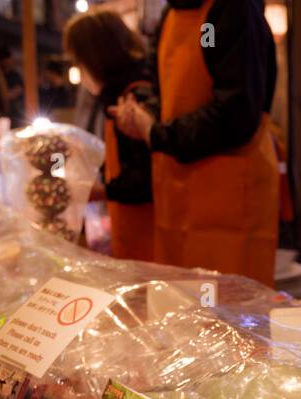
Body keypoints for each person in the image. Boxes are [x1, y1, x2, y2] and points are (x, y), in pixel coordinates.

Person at [111, 0, 279, 285]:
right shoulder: (171, 15)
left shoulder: (232, 9)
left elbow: (235, 114)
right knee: (180, 310)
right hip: (177, 198)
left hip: (229, 199)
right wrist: (140, 113)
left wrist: (156, 133)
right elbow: (160, 90)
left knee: (230, 313)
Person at [63, 10, 156, 261]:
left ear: (93, 57)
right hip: (129, 230)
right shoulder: (115, 94)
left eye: (78, 60)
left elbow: (145, 182)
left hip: (149, 236)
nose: (79, 69)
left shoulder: (132, 99)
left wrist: (97, 192)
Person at [0, 44, 25, 125]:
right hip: (1, 114)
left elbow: (20, 90)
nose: (8, 62)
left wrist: (7, 95)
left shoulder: (15, 75)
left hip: (17, 114)